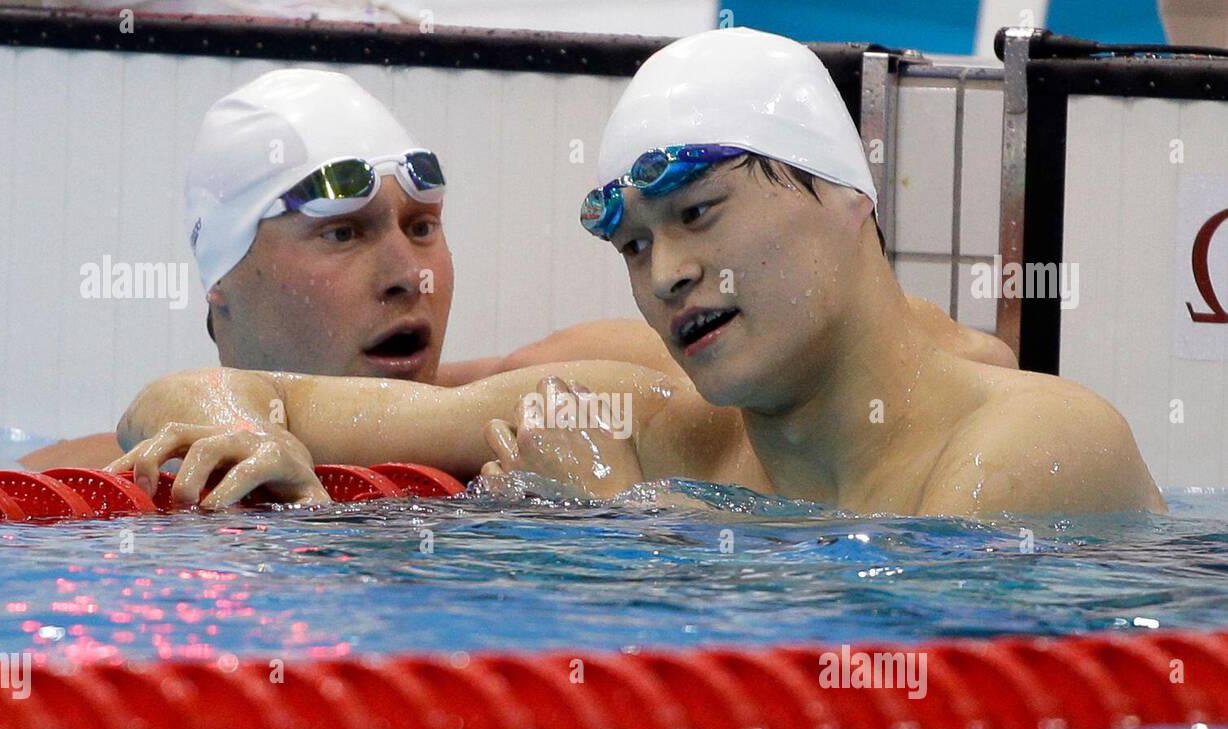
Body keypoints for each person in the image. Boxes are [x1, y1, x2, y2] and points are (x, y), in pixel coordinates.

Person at [111, 30, 1142, 517]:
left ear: (846, 196)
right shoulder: (638, 424)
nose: (669, 275)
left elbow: (891, 687)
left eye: (695, 215)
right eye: (635, 247)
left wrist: (625, 529)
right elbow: (188, 398)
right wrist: (243, 438)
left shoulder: (1040, 440)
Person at [23, 65, 1012, 471]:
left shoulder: (545, 388)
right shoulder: (115, 476)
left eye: (421, 227)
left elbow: (970, 361)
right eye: (344, 233)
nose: (408, 272)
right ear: (221, 292)